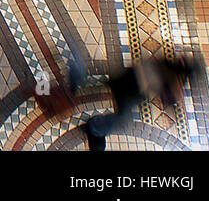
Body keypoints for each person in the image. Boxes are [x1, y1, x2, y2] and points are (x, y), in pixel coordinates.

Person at [70, 51, 201, 151]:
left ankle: (77, 77)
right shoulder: (172, 77)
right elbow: (167, 98)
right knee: (122, 119)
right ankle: (95, 128)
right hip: (134, 90)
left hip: (131, 75)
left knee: (108, 84)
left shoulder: (167, 64)